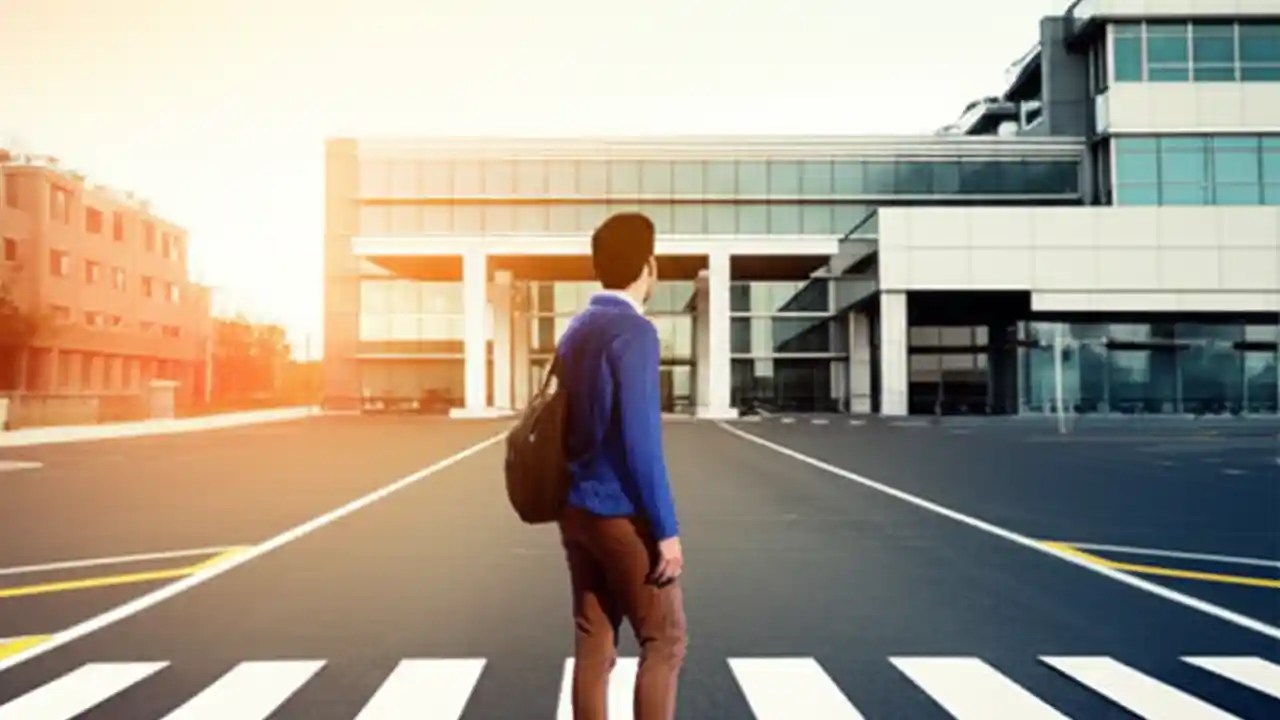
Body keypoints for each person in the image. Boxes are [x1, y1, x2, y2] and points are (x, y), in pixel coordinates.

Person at [555, 212, 687, 720]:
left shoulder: (577, 328)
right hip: (619, 514)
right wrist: (666, 530)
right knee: (665, 640)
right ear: (648, 266)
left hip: (575, 509)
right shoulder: (634, 331)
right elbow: (641, 442)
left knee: (594, 641)